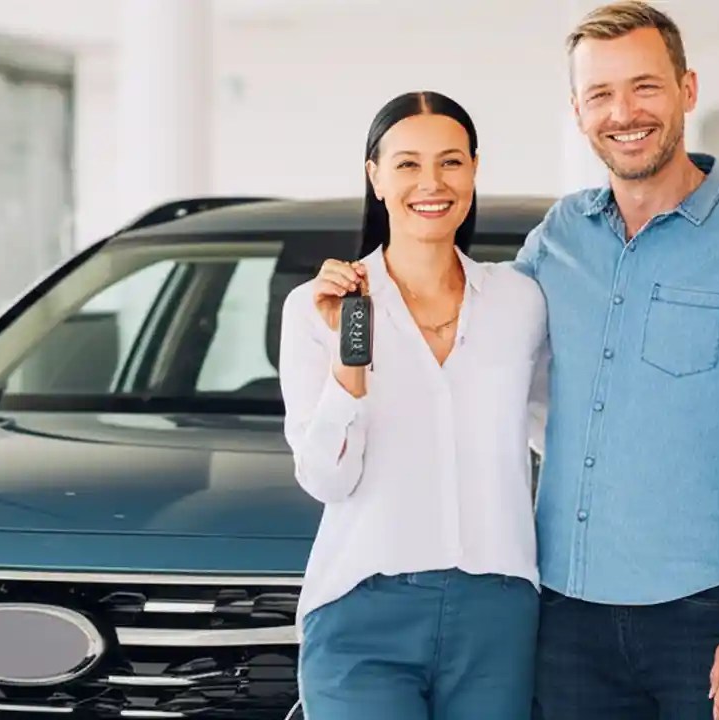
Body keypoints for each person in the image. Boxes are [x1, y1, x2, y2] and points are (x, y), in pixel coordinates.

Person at [514, 3, 719, 719]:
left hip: (713, 619)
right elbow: (477, 354)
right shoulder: (557, 238)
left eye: (644, 87)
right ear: (578, 111)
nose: (623, 112)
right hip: (565, 621)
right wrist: (366, 298)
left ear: (687, 90)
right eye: (599, 94)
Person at [277, 90, 550, 719]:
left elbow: (563, 438)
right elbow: (325, 477)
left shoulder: (520, 302)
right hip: (360, 609)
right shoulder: (316, 310)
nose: (431, 182)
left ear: (475, 171)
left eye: (451, 162)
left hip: (497, 612)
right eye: (407, 164)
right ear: (374, 177)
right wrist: (352, 354)